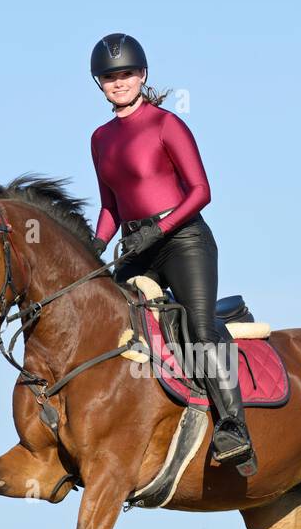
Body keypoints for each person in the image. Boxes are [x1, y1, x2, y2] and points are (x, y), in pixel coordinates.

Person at [88, 33, 257, 476]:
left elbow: (202, 191)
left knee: (200, 328)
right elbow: (110, 206)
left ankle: (234, 428)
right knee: (102, 319)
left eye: (126, 74)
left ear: (142, 75)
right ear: (99, 83)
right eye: (110, 77)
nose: (119, 82)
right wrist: (94, 247)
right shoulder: (100, 138)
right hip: (135, 246)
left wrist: (159, 229)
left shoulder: (167, 124)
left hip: (183, 241)